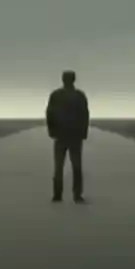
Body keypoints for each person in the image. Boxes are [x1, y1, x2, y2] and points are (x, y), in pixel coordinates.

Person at [45, 69, 89, 203]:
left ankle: (57, 195)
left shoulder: (56, 95)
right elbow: (85, 115)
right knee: (76, 166)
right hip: (75, 136)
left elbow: (49, 114)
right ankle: (77, 195)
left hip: (60, 136)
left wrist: (51, 131)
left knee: (59, 167)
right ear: (74, 80)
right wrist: (83, 133)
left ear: (63, 79)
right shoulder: (79, 95)